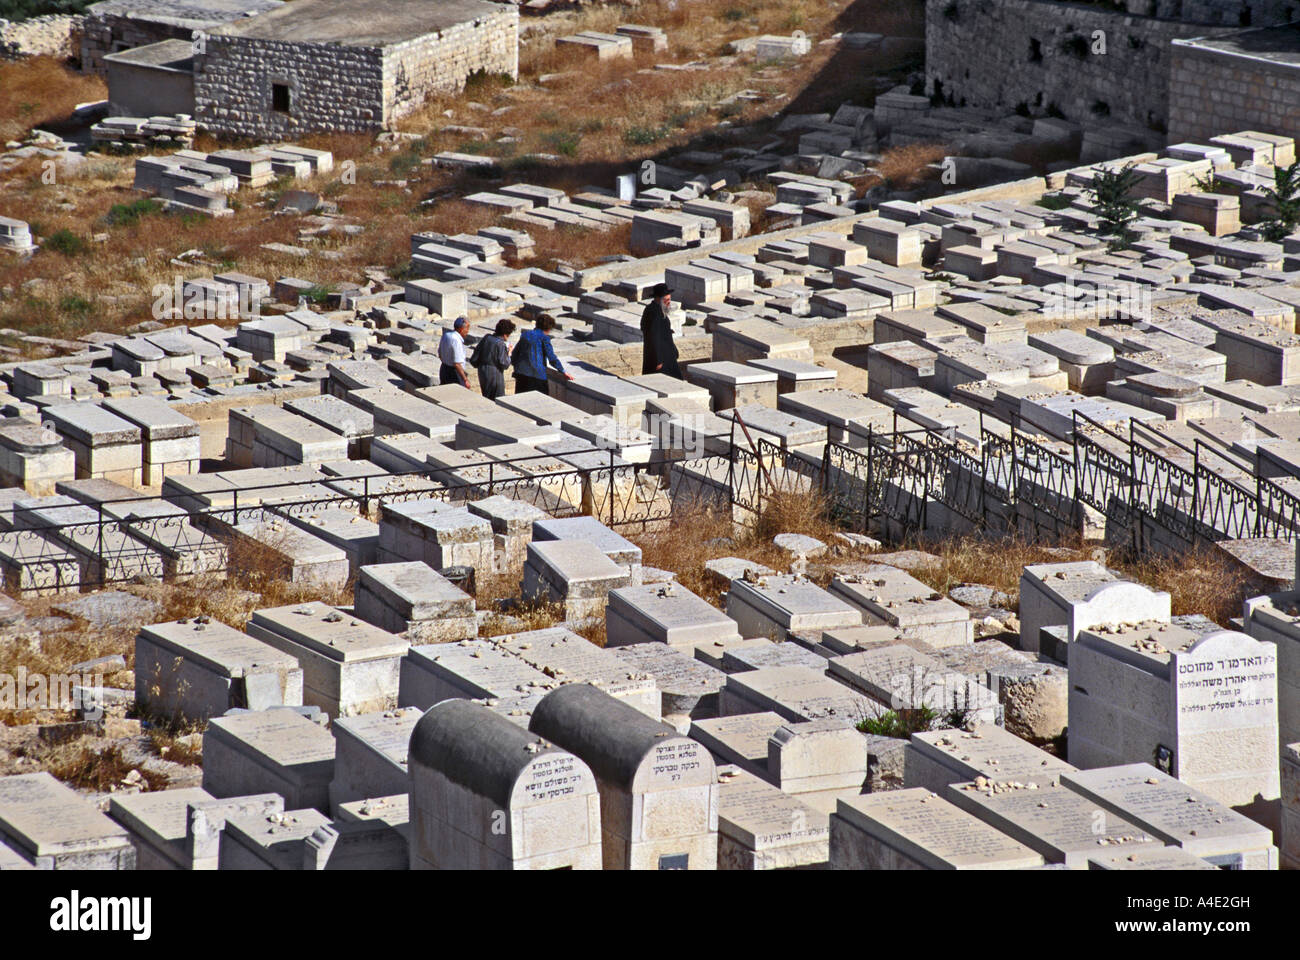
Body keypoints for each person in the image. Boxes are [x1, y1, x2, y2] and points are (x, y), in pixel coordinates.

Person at [512, 313, 573, 394]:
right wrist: (563, 371)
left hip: (521, 374)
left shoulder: (525, 334)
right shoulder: (544, 338)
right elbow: (552, 358)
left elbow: (515, 354)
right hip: (537, 377)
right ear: (548, 328)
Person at [640, 283, 680, 378]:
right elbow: (653, 336)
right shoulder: (654, 313)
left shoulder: (656, 309)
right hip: (661, 357)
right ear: (658, 299)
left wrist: (674, 350)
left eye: (669, 300)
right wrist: (658, 360)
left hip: (666, 354)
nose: (668, 303)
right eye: (666, 300)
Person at [469, 317, 515, 400]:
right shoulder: (500, 344)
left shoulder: (487, 337)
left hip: (482, 371)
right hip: (494, 374)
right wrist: (509, 353)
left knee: (486, 396)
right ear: (505, 334)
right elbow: (505, 364)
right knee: (498, 398)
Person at [437, 316, 470, 387]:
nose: (468, 331)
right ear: (461, 329)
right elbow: (457, 364)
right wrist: (465, 379)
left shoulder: (446, 335)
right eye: (467, 328)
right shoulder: (456, 340)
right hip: (454, 374)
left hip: (444, 369)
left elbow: (440, 354)